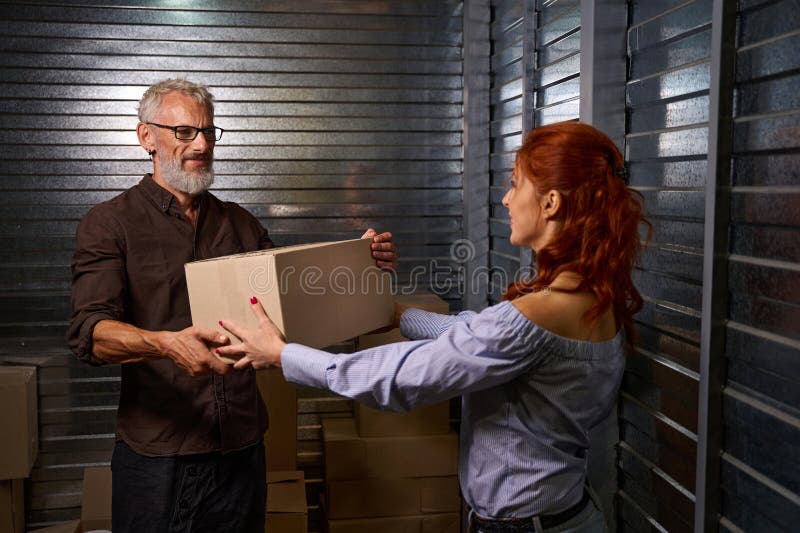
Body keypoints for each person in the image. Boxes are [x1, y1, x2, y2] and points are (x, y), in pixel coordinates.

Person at [215, 122, 649, 533]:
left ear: (551, 202)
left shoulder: (538, 313)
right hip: (568, 513)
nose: (505, 200)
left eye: (515, 184)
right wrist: (398, 314)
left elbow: (401, 378)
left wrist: (283, 355)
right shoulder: (595, 297)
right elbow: (476, 334)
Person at [67, 78, 397, 533]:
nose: (201, 144)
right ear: (146, 137)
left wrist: (359, 266)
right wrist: (166, 344)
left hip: (241, 450)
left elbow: (291, 309)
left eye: (208, 131)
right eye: (184, 132)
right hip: (159, 458)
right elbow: (91, 333)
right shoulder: (109, 224)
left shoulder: (239, 222)